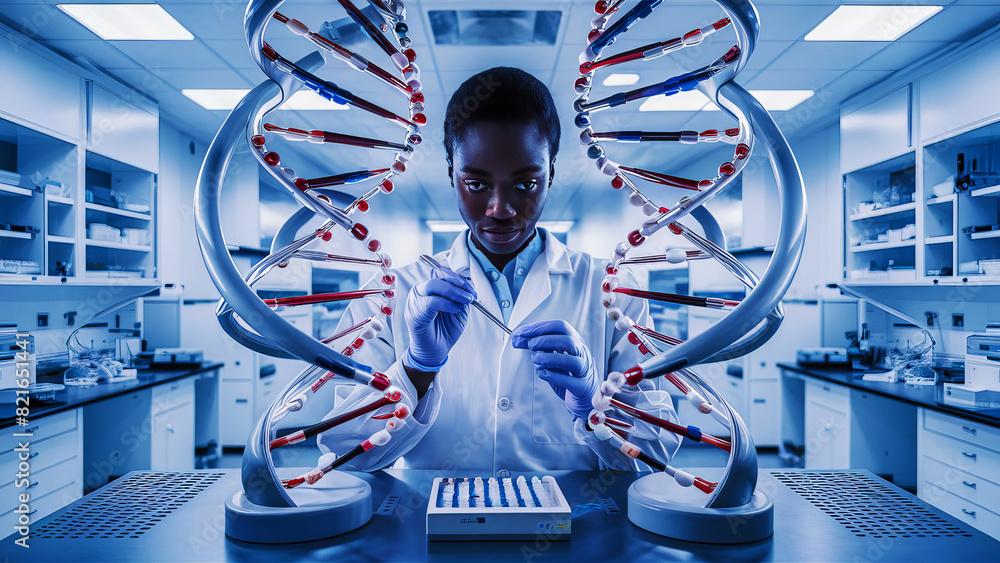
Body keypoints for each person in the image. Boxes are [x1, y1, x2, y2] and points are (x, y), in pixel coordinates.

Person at [317, 67, 680, 475]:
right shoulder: (390, 293)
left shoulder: (612, 292)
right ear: (452, 173)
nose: (500, 210)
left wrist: (592, 404)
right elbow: (344, 453)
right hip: (431, 529)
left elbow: (656, 455)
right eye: (476, 185)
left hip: (575, 529)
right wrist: (416, 368)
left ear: (551, 176)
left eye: (525, 185)